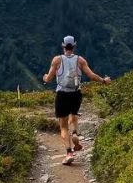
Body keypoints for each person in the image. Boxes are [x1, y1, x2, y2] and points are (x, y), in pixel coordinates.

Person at [41, 35, 110, 164]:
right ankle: (75, 133)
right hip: (76, 93)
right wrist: (104, 81)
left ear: (63, 46)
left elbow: (49, 79)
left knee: (63, 126)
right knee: (74, 114)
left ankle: (69, 152)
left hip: (62, 94)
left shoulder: (57, 60)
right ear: (74, 46)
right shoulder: (80, 60)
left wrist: (45, 77)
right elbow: (91, 76)